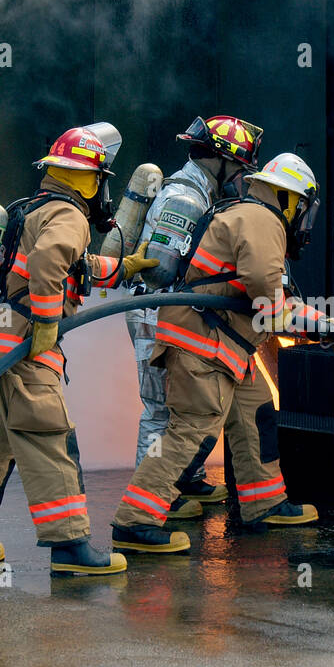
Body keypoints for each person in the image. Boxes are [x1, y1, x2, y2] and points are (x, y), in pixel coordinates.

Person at [0, 126, 158, 575]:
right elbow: (47, 263)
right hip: (24, 352)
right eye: (100, 178)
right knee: (50, 441)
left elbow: (72, 267)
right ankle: (70, 547)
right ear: (89, 179)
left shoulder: (28, 209)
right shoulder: (69, 214)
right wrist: (44, 322)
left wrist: (123, 268)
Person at [111, 152, 331, 554]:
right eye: (301, 206)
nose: (302, 218)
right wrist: (330, 329)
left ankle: (263, 503)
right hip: (203, 346)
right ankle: (135, 522)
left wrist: (329, 328)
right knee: (189, 432)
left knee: (254, 412)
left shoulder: (247, 213)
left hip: (225, 344)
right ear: (288, 198)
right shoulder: (262, 219)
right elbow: (272, 303)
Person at [125, 114, 261, 516]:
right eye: (238, 167)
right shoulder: (185, 199)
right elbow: (163, 271)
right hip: (155, 311)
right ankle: (152, 497)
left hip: (171, 312)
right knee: (160, 409)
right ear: (219, 160)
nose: (240, 176)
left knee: (185, 405)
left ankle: (185, 478)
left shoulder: (201, 194)